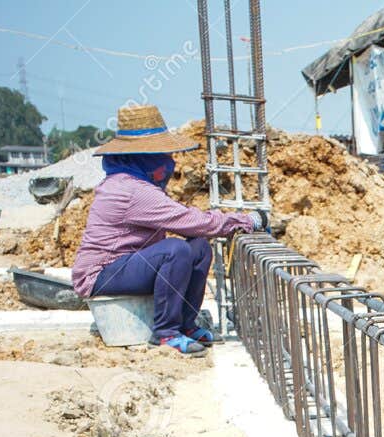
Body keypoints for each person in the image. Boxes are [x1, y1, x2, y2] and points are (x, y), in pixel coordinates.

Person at [72, 105, 256, 356]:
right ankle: (165, 333)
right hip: (102, 274)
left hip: (127, 265)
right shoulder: (132, 190)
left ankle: (185, 326)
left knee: (198, 247)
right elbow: (190, 219)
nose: (169, 162)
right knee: (175, 250)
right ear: (143, 157)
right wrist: (244, 221)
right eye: (162, 154)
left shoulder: (136, 182)